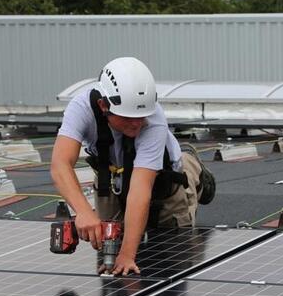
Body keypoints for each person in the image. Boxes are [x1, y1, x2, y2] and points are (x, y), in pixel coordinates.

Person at [51, 56, 213, 276]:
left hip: (163, 181)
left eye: (141, 116)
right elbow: (61, 163)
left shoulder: (154, 120)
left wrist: (128, 255)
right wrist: (83, 212)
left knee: (173, 252)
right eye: (128, 117)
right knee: (107, 241)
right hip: (112, 176)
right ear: (103, 105)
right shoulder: (81, 107)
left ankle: (195, 171)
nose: (136, 123)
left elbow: (140, 192)